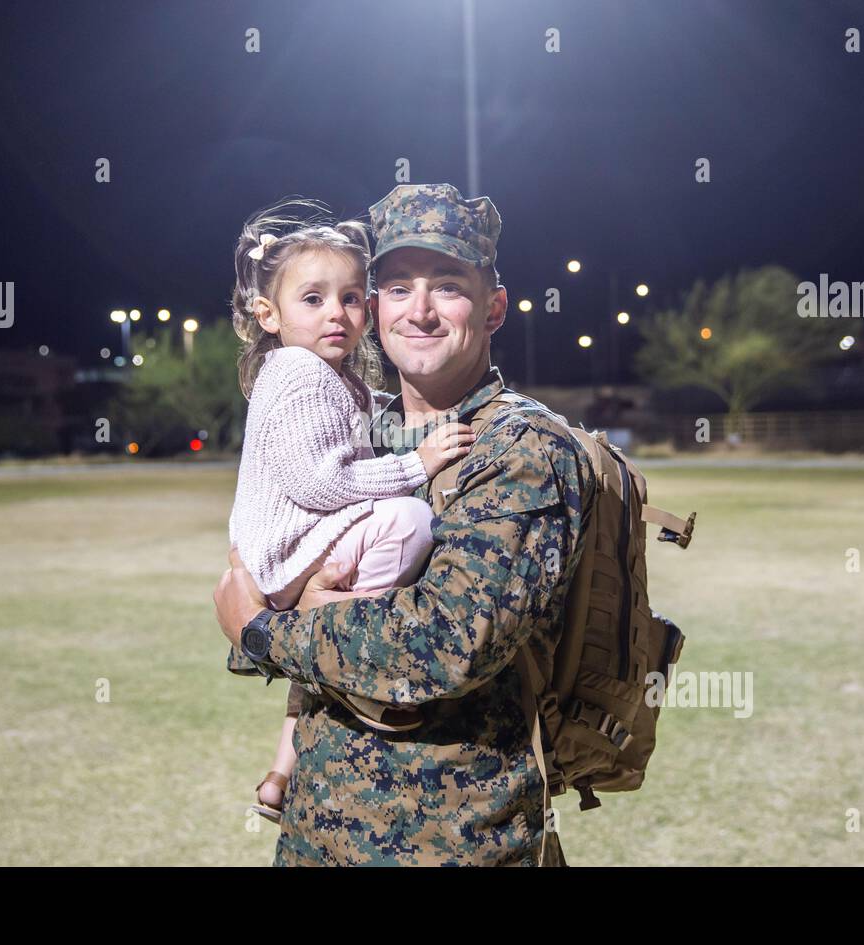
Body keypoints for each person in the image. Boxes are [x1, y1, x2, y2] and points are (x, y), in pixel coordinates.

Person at [214, 183, 597, 866]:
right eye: (394, 288)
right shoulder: (361, 427)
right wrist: (276, 610)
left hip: (455, 843)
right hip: (317, 834)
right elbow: (259, 566)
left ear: (494, 307)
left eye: (447, 286)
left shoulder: (523, 449)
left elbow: (444, 646)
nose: (418, 311)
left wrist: (266, 629)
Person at [224, 199, 476, 824]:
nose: (337, 312)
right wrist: (417, 464)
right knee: (409, 519)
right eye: (313, 299)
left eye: (353, 297)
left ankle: (280, 772)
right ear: (269, 314)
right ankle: (356, 627)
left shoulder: (327, 374)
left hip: (284, 556)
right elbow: (320, 481)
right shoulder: (299, 374)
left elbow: (358, 418)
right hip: (290, 548)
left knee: (306, 667)